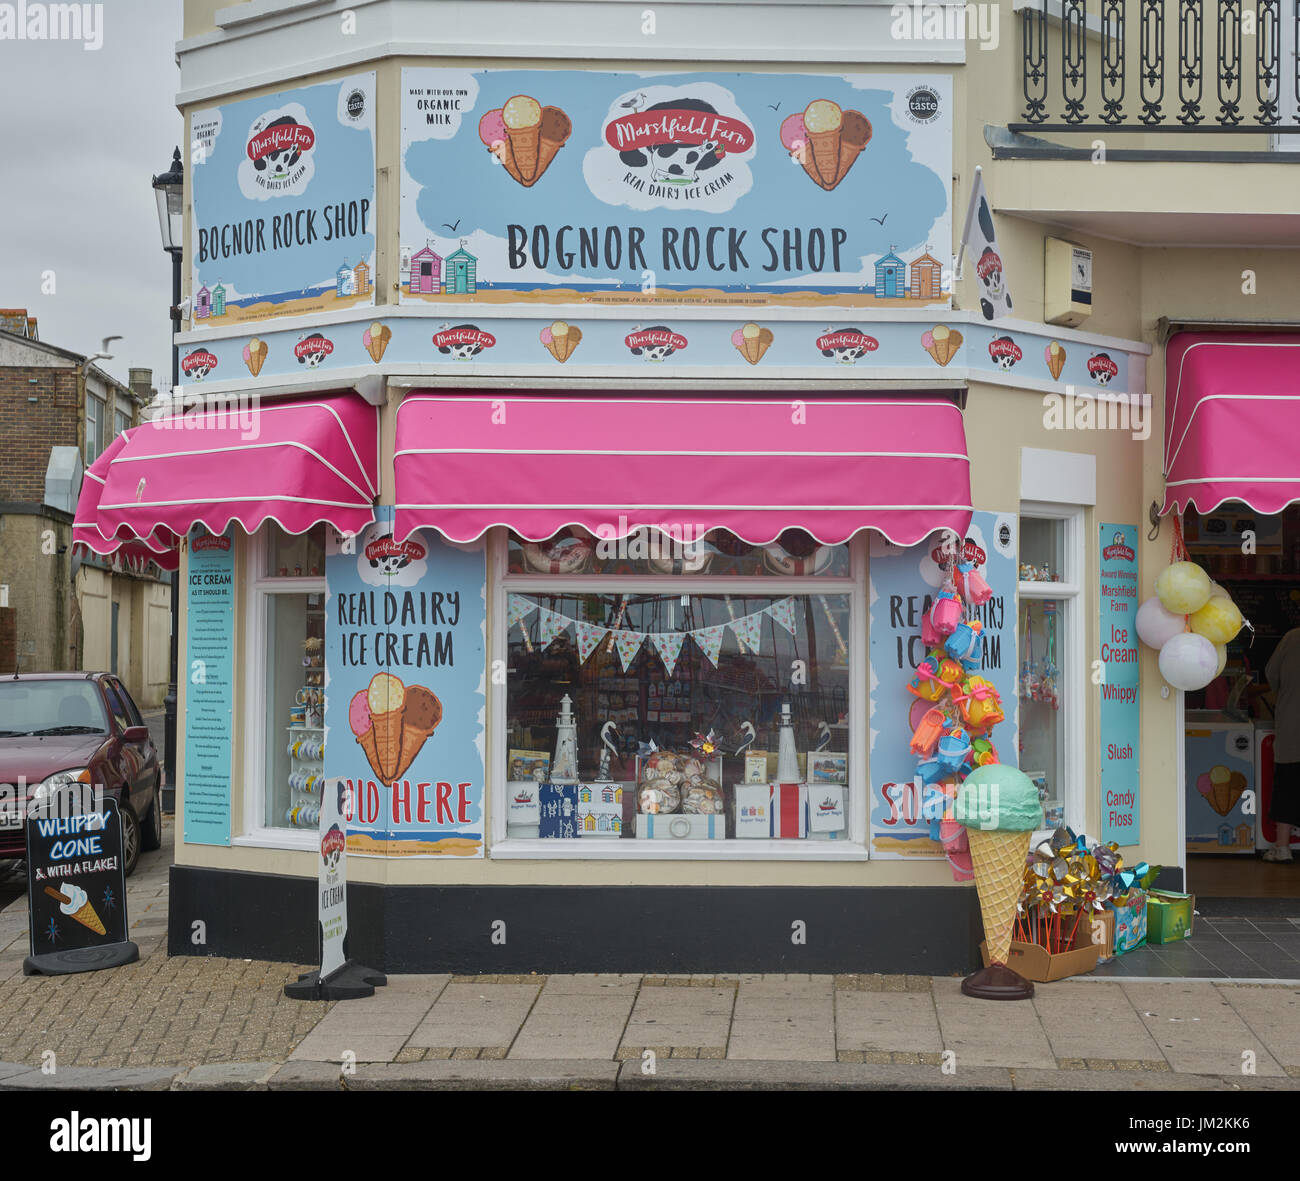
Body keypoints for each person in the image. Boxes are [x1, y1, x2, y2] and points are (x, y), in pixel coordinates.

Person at [1263, 626, 1300, 862]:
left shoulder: (1291, 637)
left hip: (1292, 725)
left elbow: (1270, 674)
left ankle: (1282, 847)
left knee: (1286, 784)